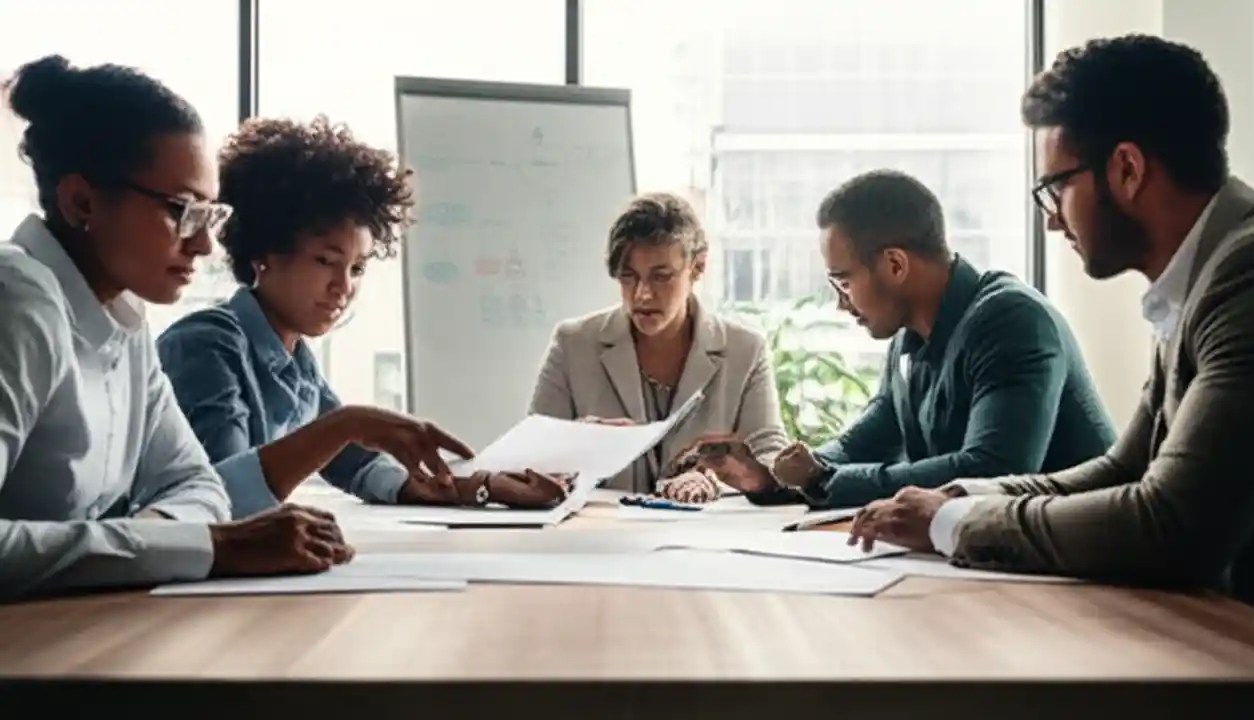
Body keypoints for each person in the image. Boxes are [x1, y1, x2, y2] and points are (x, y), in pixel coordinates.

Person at [848, 35, 1254, 611]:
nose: (1052, 221)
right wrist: (960, 495)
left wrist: (954, 521)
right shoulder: (1200, 276)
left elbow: (1171, 523)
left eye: (1056, 189)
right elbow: (1124, 468)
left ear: (1126, 170)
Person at [0, 56, 358, 601]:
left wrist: (162, 543)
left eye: (209, 216)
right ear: (81, 202)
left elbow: (197, 485)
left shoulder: (124, 320)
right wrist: (205, 548)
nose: (205, 245)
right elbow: (199, 524)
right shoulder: (18, 304)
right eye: (182, 210)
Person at [156, 116, 570, 519]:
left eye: (357, 268)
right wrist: (345, 424)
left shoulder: (295, 358)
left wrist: (484, 486)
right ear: (263, 251)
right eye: (325, 261)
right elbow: (217, 501)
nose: (344, 286)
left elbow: (361, 467)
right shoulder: (205, 345)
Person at [691, 170, 1116, 509]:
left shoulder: (1012, 321)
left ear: (895, 265)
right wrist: (771, 478)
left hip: (1090, 576)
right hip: (999, 557)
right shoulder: (909, 338)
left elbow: (991, 472)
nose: (842, 304)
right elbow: (864, 443)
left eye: (844, 282)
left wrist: (824, 480)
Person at [529, 192, 788, 501]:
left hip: (704, 540)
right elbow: (533, 458)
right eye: (629, 277)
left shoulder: (744, 349)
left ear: (697, 268)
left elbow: (772, 461)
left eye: (661, 277)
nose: (642, 295)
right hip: (601, 537)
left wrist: (717, 480)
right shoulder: (573, 343)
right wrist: (582, 440)